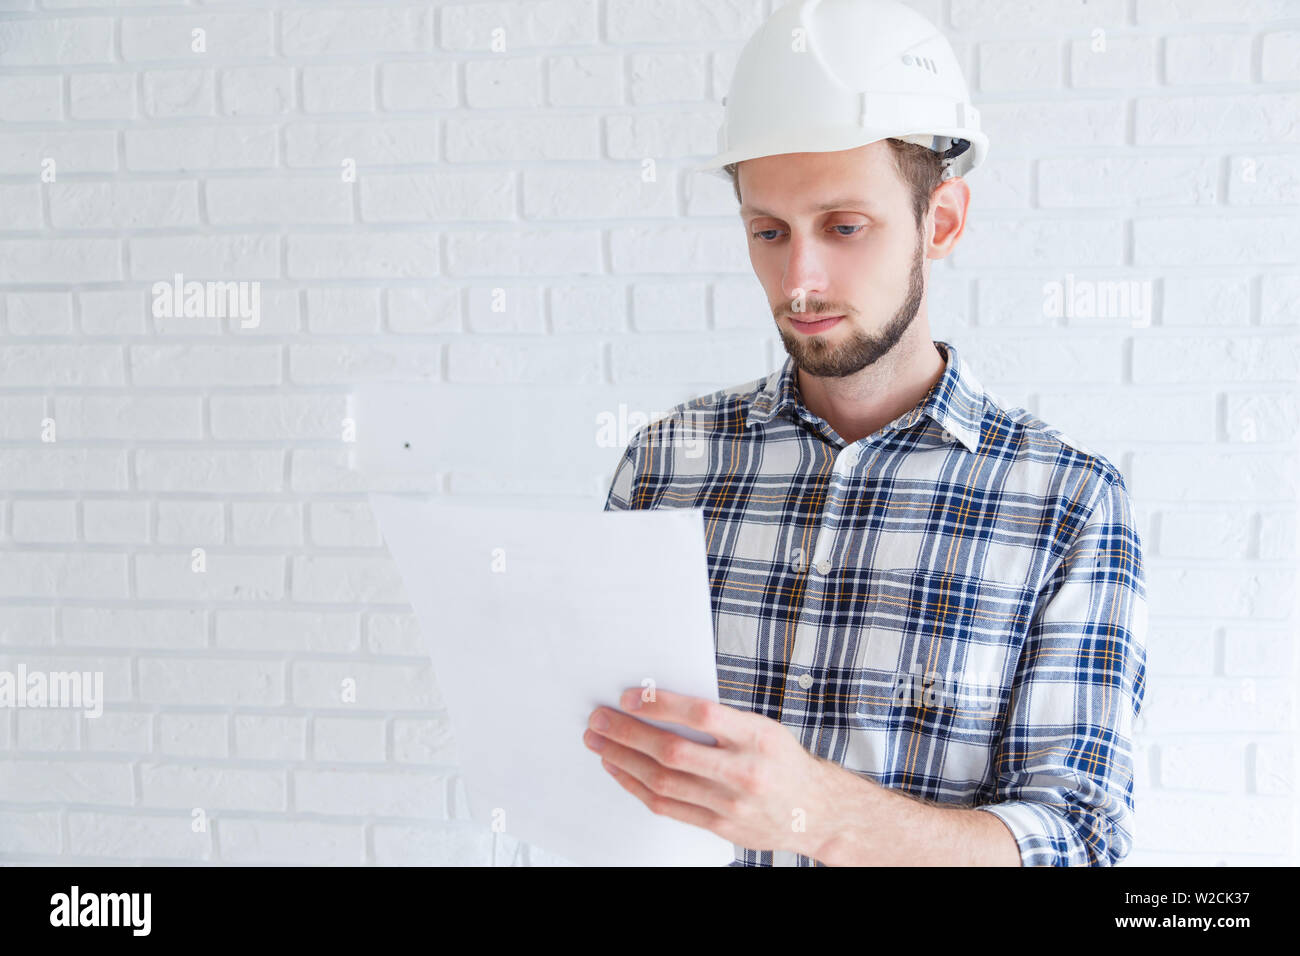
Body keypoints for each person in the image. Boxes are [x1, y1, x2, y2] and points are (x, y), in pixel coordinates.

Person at [586, 0, 1147, 867]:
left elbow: (1082, 842)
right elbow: (602, 751)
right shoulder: (666, 463)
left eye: (845, 228)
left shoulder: (1067, 505)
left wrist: (820, 814)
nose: (799, 279)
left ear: (943, 221)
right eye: (767, 232)